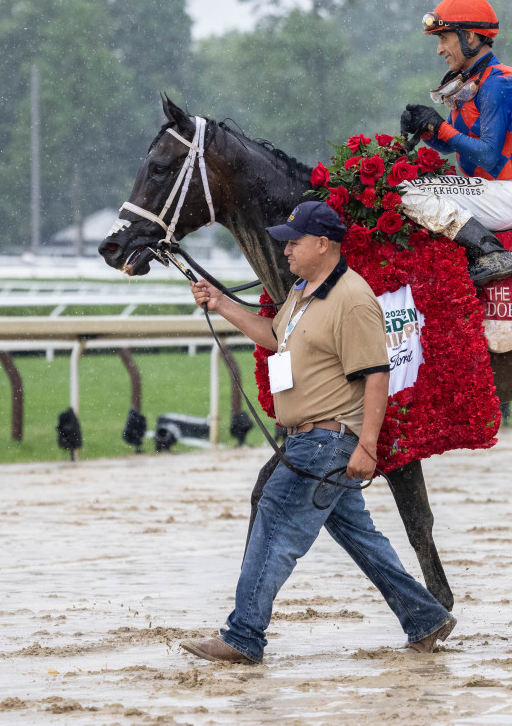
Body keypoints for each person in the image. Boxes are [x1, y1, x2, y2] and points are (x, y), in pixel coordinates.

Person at [179, 200, 456, 664]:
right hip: (315, 440)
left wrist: (368, 444)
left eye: (295, 241)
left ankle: (243, 636)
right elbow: (274, 335)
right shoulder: (302, 292)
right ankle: (425, 617)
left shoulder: (353, 297)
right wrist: (222, 303)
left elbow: (376, 373)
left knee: (274, 524)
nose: (285, 249)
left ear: (323, 244)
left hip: (326, 442)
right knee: (359, 537)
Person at [399, 0, 512, 287]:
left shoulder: (498, 82)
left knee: (402, 192)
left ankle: (492, 253)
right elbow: (450, 144)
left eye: (444, 38)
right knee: (405, 187)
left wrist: (442, 127)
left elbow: (488, 156)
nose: (439, 50)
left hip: (505, 194)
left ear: (470, 37)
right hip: (488, 190)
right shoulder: (473, 80)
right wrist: (427, 130)